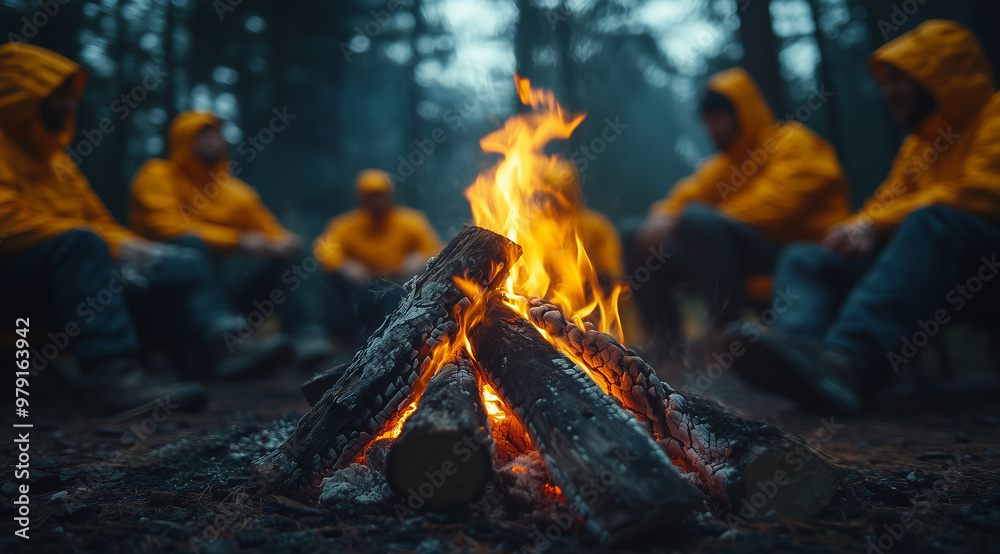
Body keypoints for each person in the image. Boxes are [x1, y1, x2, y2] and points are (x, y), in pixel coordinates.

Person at [722, 20, 1000, 414]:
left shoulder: (995, 115)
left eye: (897, 81)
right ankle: (798, 354)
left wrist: (878, 225)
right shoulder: (920, 146)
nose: (887, 93)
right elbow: (884, 202)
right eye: (884, 82)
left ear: (940, 76)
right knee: (806, 257)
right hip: (922, 266)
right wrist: (857, 227)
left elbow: (985, 190)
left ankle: (848, 363)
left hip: (981, 264)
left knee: (933, 221)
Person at [0, 45, 284, 414]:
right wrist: (120, 245)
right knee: (96, 246)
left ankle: (222, 347)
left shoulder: (59, 163)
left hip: (67, 275)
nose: (70, 106)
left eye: (71, 97)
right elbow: (8, 221)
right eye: (58, 96)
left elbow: (99, 222)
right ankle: (110, 375)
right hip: (15, 278)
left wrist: (138, 249)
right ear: (22, 94)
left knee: (176, 262)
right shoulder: (156, 173)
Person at [632, 67, 850, 345]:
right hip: (735, 254)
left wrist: (689, 221)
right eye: (707, 121)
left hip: (796, 253)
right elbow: (685, 195)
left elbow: (777, 203)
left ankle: (724, 336)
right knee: (637, 233)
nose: (712, 129)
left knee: (697, 221)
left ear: (741, 112)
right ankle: (664, 346)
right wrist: (665, 215)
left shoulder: (790, 140)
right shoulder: (723, 165)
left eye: (718, 118)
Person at [128, 111, 331, 368]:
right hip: (172, 295)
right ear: (182, 139)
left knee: (292, 252)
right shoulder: (157, 174)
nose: (214, 139)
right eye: (204, 133)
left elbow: (272, 233)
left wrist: (284, 243)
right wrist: (240, 241)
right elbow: (164, 227)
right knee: (189, 244)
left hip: (226, 295)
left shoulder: (236, 192)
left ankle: (306, 337)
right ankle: (223, 344)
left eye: (217, 133)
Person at [313, 169, 441, 345]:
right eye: (370, 196)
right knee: (331, 278)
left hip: (400, 283)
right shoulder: (345, 225)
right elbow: (323, 249)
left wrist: (419, 258)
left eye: (380, 195)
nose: (376, 201)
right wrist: (343, 265)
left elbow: (435, 248)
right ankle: (342, 337)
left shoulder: (412, 221)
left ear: (390, 195)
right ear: (361, 198)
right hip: (360, 285)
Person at [537, 159, 624, 290]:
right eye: (550, 190)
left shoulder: (597, 227)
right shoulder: (534, 229)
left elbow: (612, 274)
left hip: (598, 302)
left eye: (562, 189)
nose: (555, 197)